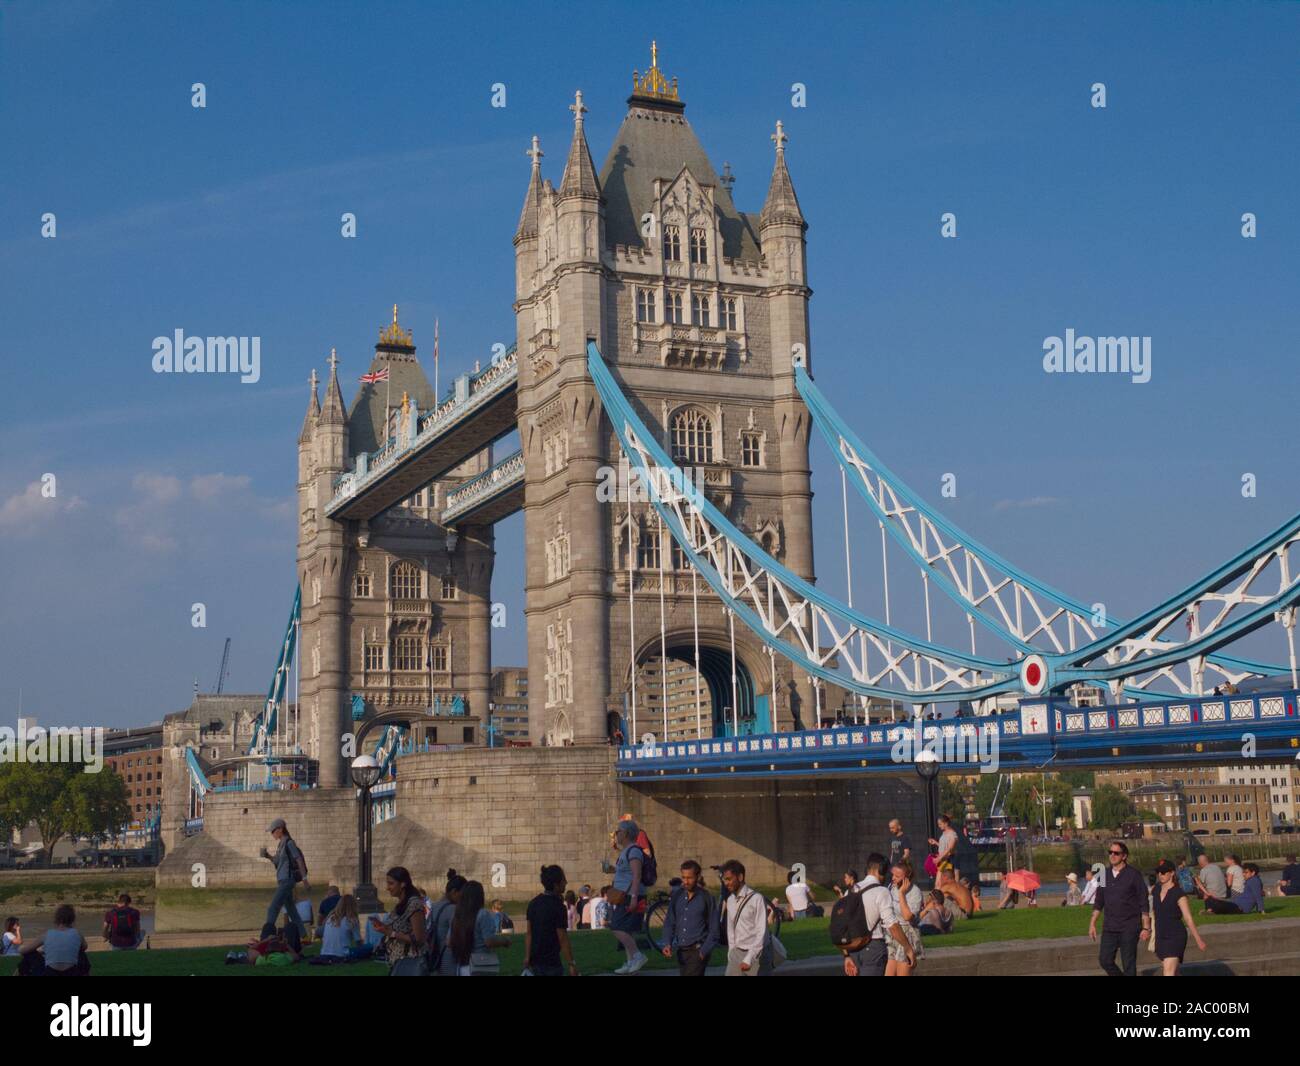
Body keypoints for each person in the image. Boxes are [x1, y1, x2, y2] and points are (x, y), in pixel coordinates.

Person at [842, 853, 914, 977]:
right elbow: (892, 925)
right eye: (886, 872)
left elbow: (842, 927)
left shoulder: (849, 891)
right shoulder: (881, 891)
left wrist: (846, 956)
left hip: (853, 948)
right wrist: (908, 948)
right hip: (873, 949)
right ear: (880, 870)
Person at [1088, 840, 1150, 976]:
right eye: (1110, 852)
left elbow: (1143, 902)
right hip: (1110, 927)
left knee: (1128, 963)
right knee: (1105, 960)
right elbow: (1099, 901)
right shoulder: (1104, 874)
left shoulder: (1134, 875)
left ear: (1124, 856)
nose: (1112, 855)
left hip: (1130, 926)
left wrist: (1146, 927)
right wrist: (1092, 923)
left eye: (1116, 853)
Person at [661, 860, 720, 976]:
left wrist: (704, 951)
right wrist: (667, 943)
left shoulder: (707, 898)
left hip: (698, 951)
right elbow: (669, 922)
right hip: (681, 951)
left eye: (689, 878)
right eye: (683, 877)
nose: (686, 882)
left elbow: (714, 929)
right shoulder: (677, 896)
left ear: (698, 877)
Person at [258, 818, 308, 947]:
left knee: (273, 908)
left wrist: (305, 879)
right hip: (283, 881)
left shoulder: (289, 843)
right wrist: (267, 855)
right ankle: (304, 937)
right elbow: (277, 863)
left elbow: (299, 860)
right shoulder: (281, 844)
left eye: (273, 831)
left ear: (280, 829)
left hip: (287, 881)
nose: (272, 833)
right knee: (292, 911)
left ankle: (266, 937)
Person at [1152, 859, 1207, 975]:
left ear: (1172, 873)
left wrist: (1198, 939)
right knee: (1174, 971)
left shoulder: (1179, 893)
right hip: (1160, 936)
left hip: (1175, 936)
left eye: (1164, 872)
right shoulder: (1155, 890)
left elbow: (1188, 918)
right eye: (1159, 872)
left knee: (1168, 971)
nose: (1160, 875)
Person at [607, 820, 648, 974]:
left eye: (618, 831)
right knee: (627, 930)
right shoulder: (625, 851)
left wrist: (634, 898)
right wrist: (611, 869)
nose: (616, 834)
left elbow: (637, 876)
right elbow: (626, 872)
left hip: (629, 895)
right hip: (623, 894)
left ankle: (637, 956)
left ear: (626, 833)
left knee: (616, 926)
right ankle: (631, 962)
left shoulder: (634, 851)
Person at [370, 866, 427, 975]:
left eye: (391, 883)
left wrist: (392, 933)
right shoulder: (400, 905)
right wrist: (384, 928)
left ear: (402, 884)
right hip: (398, 962)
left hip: (410, 962)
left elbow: (419, 938)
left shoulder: (414, 905)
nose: (388, 888)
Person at [523, 865, 578, 976]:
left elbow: (529, 933)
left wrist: (527, 957)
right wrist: (571, 964)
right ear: (555, 885)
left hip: (535, 961)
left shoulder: (533, 903)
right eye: (563, 880)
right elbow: (562, 937)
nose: (566, 883)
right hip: (552, 962)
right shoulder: (558, 906)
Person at [720, 859, 772, 976]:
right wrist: (731, 951)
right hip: (737, 952)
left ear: (740, 877)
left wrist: (749, 958)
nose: (726, 883)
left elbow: (761, 932)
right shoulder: (730, 900)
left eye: (729, 879)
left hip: (758, 953)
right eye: (724, 880)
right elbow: (731, 929)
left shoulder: (756, 899)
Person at [19, 904, 88, 975]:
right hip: (71, 972)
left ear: (56, 919)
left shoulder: (47, 934)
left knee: (29, 953)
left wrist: (21, 948)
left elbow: (23, 951)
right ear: (72, 919)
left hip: (51, 973)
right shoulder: (77, 933)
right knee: (81, 953)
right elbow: (85, 947)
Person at [887, 861, 924, 975]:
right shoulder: (891, 887)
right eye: (892, 874)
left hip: (907, 935)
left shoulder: (915, 892)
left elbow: (908, 916)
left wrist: (902, 894)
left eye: (897, 876)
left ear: (907, 878)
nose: (893, 878)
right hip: (893, 933)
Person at [426, 869, 466, 975]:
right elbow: (453, 937)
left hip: (433, 954)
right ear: (454, 892)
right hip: (449, 957)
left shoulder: (434, 906)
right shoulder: (453, 909)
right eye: (463, 894)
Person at [319, 894, 365, 960]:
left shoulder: (330, 918)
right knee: (368, 947)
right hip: (342, 954)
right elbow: (358, 942)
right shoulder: (352, 920)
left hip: (324, 953)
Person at [932, 814, 959, 890]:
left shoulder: (953, 834)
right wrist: (936, 843)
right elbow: (944, 847)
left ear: (946, 823)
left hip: (949, 860)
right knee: (938, 884)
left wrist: (939, 858)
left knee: (947, 884)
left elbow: (950, 848)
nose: (939, 826)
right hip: (943, 860)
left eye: (940, 824)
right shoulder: (944, 833)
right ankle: (937, 899)